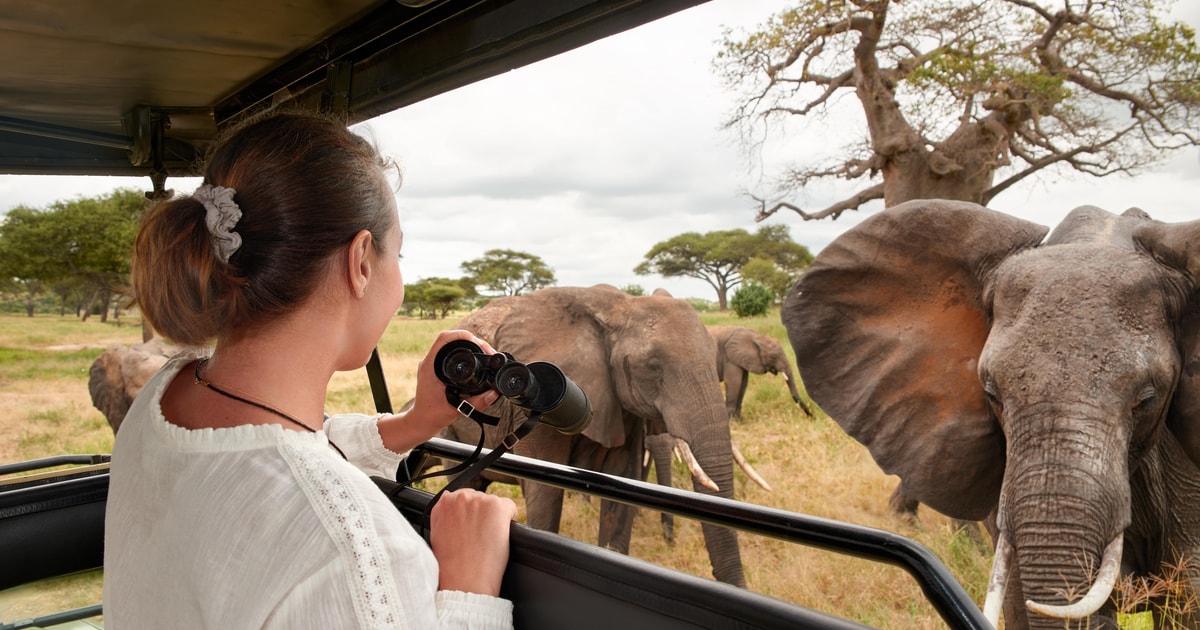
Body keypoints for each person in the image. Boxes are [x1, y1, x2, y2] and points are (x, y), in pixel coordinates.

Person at [103, 110, 518, 629]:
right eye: (399, 255)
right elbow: (293, 476)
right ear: (362, 261)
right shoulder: (356, 548)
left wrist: (411, 424)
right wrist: (470, 588)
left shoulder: (165, 395)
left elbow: (264, 452)